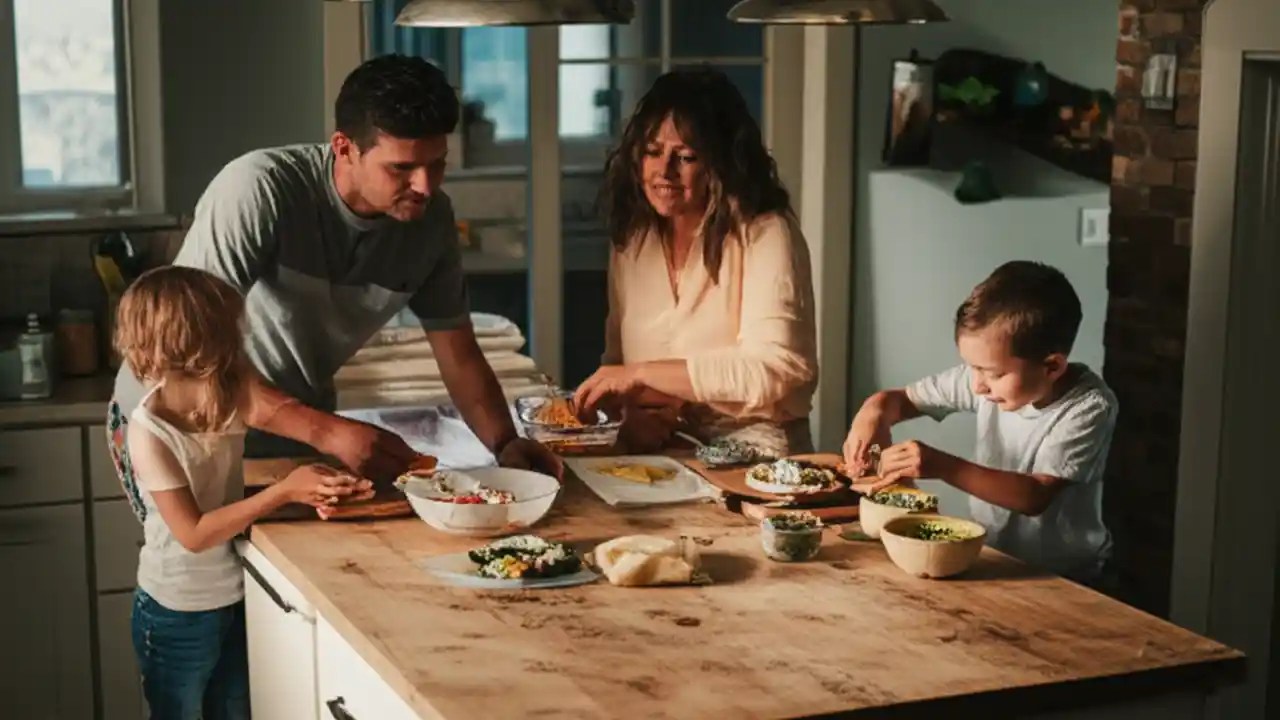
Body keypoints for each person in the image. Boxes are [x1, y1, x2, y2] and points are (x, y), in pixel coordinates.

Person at [107, 54, 560, 501]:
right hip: (175, 426)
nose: (425, 185)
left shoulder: (432, 221)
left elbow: (458, 355)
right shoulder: (259, 190)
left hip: (289, 428)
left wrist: (505, 443)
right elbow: (189, 354)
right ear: (344, 148)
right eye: (401, 168)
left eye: (437, 163)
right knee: (204, 551)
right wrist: (327, 431)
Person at [116, 266, 376, 719]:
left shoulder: (226, 397)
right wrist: (283, 491)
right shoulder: (149, 432)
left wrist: (309, 490)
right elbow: (194, 533)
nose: (239, 339)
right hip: (176, 613)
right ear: (194, 343)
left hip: (231, 598)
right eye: (227, 330)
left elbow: (223, 500)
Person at [572, 68, 819, 457]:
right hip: (659, 452)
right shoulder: (634, 238)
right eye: (652, 152)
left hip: (755, 454)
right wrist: (628, 416)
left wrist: (641, 376)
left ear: (721, 163)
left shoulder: (766, 233)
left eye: (685, 157)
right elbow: (617, 365)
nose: (664, 171)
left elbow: (777, 369)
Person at [843, 261, 1118, 583]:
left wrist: (940, 465)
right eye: (971, 368)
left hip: (1065, 578)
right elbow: (896, 401)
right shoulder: (985, 380)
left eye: (993, 373)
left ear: (1052, 367)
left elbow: (1033, 496)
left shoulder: (1088, 407)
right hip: (993, 559)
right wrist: (873, 413)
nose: (977, 386)